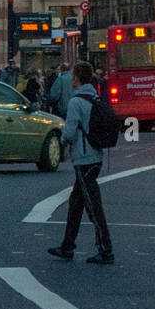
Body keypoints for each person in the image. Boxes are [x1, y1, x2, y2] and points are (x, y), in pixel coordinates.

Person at [48, 61, 114, 265]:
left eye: (73, 75)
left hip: (83, 158)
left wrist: (60, 144)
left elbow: (69, 132)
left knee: (93, 207)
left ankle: (105, 250)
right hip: (95, 156)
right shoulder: (95, 96)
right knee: (75, 203)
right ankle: (67, 245)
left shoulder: (76, 102)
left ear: (76, 78)